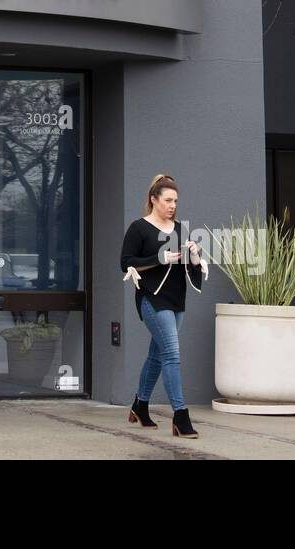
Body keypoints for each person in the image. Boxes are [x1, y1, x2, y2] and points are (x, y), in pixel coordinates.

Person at [119, 173, 206, 438]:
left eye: (175, 201)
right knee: (171, 354)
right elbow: (126, 263)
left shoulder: (181, 228)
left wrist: (193, 256)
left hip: (176, 299)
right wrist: (159, 257)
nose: (172, 205)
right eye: (168, 200)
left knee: (157, 355)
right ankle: (180, 416)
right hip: (151, 298)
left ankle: (140, 405)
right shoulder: (138, 228)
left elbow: (189, 268)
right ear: (153, 199)